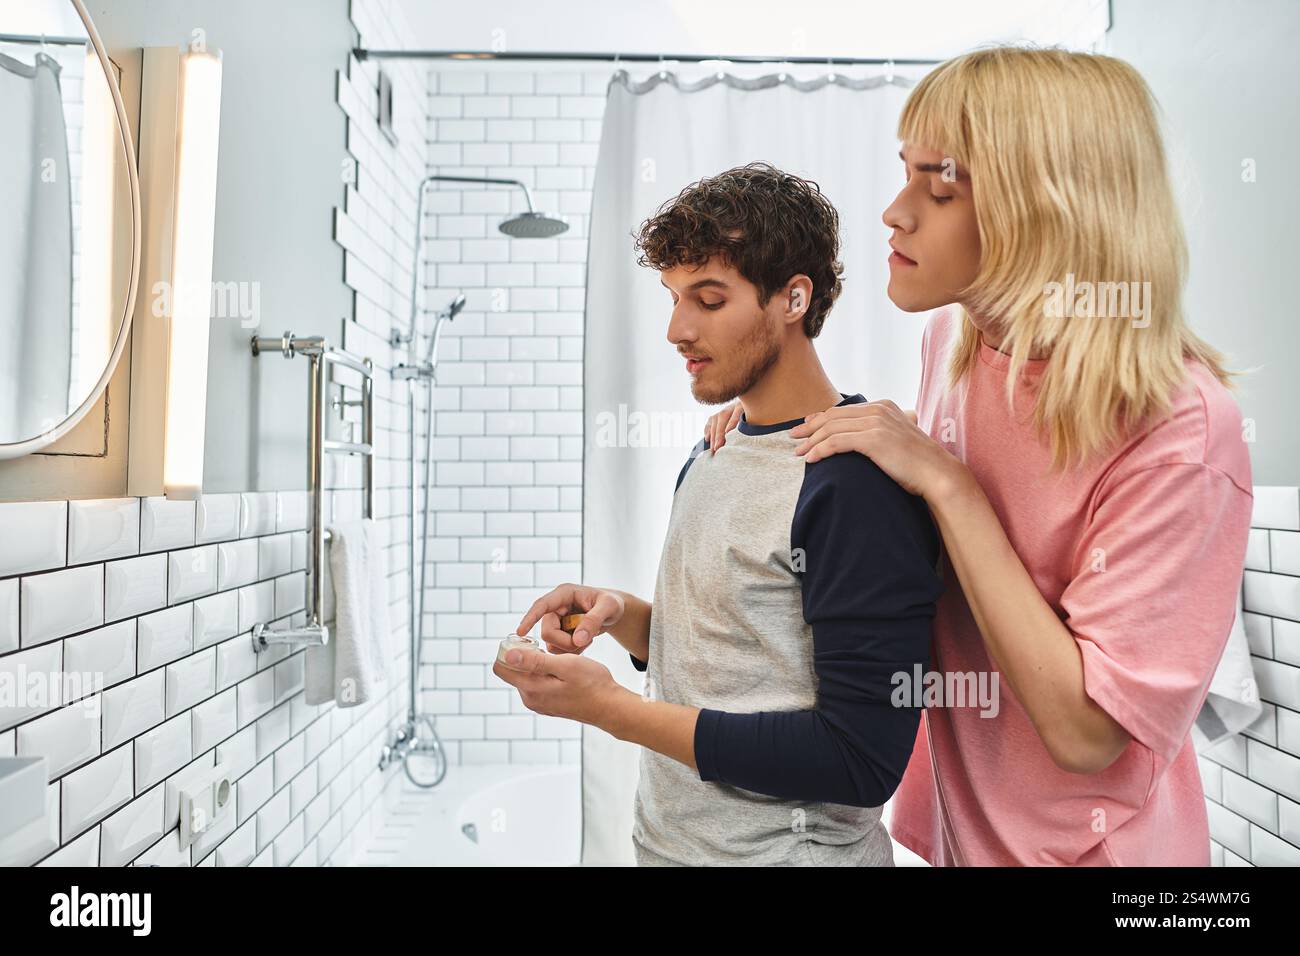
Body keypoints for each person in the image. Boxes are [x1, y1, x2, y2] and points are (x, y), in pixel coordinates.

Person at [704, 47, 1254, 866]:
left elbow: (1086, 731)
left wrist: (948, 484)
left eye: (942, 188)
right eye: (905, 174)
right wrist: (780, 427)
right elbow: (922, 541)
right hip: (966, 836)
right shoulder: (958, 342)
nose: (895, 212)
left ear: (1051, 210)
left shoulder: (1178, 425)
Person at [494, 162, 942, 865]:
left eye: (708, 299)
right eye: (674, 297)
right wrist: (625, 616)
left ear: (794, 299)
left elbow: (861, 759)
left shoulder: (854, 487)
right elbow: (742, 650)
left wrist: (613, 711)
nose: (677, 328)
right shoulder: (715, 449)